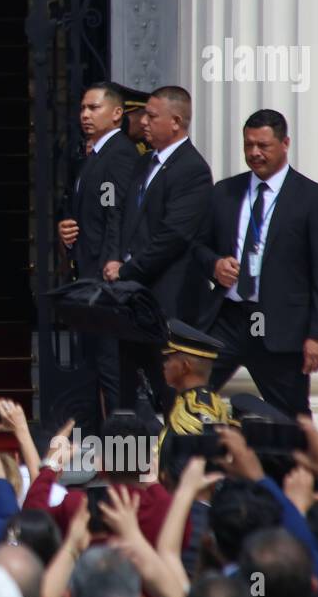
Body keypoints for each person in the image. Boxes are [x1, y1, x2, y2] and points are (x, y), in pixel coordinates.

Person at [192, 110, 318, 417]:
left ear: (285, 143)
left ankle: (308, 465)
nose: (254, 153)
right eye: (248, 145)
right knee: (191, 396)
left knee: (291, 416)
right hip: (228, 319)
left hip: (281, 325)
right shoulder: (225, 192)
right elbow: (197, 245)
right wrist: (215, 265)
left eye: (263, 145)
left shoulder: (313, 198)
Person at [103, 86, 212, 409]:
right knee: (125, 389)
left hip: (167, 301)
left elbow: (173, 236)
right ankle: (125, 460)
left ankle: (173, 459)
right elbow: (122, 217)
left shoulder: (191, 169)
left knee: (169, 392)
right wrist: (112, 258)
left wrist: (127, 269)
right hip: (131, 302)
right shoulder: (144, 163)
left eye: (152, 116)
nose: (143, 122)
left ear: (176, 121)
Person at [57, 84, 141, 429]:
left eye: (93, 108)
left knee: (111, 369)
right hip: (89, 274)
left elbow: (116, 215)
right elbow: (92, 213)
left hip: (104, 282)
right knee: (94, 365)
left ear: (117, 113)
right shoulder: (93, 155)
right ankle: (98, 444)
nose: (85, 115)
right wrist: (68, 233)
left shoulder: (119, 153)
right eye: (82, 108)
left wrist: (111, 268)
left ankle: (123, 455)